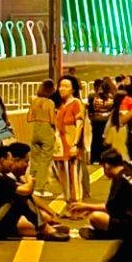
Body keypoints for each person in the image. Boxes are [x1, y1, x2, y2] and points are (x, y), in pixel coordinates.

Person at [67, 150, 132, 238]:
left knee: (95, 217)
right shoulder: (129, 171)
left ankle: (102, 235)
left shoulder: (119, 180)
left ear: (106, 166)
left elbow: (111, 208)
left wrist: (86, 206)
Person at [53, 73, 89, 201]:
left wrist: (75, 144)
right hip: (60, 147)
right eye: (60, 86)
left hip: (71, 146)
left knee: (74, 178)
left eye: (66, 86)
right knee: (63, 178)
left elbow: (79, 124)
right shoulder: (60, 106)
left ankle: (76, 207)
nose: (62, 89)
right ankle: (70, 206)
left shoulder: (76, 103)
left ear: (73, 89)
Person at [28, 80, 58, 196]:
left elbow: (30, 117)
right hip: (47, 131)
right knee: (45, 160)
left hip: (36, 129)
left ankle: (32, 184)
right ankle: (40, 188)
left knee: (34, 158)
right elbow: (52, 120)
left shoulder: (34, 101)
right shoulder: (50, 102)